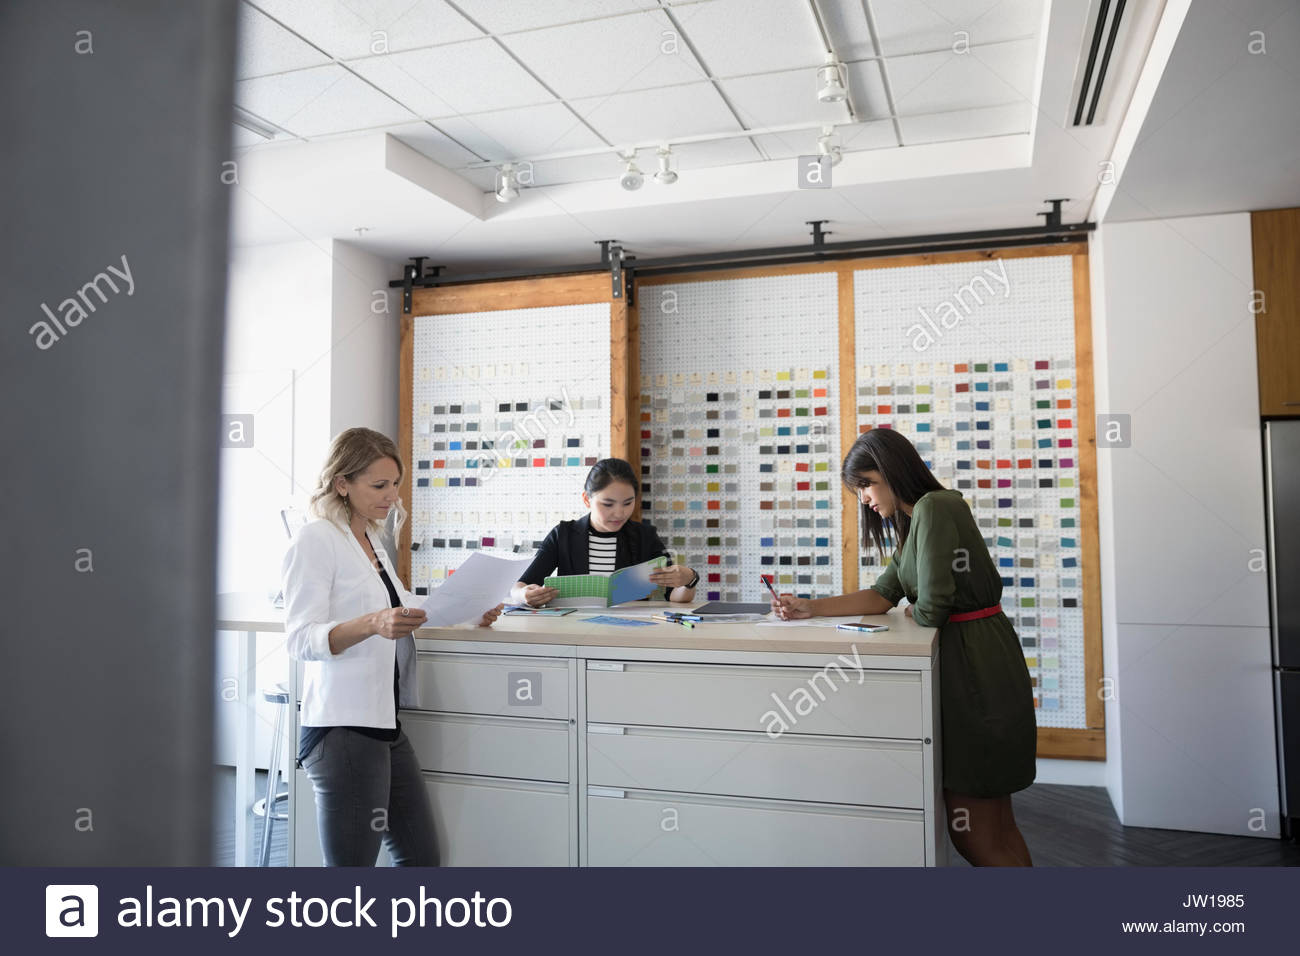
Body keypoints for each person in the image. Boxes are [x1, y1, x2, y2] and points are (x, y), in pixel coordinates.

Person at [771, 428, 1037, 866]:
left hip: (974, 671)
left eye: (867, 484)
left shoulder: (936, 506)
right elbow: (881, 595)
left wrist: (921, 608)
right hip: (973, 661)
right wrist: (809, 607)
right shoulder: (916, 523)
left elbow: (931, 607)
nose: (864, 499)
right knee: (994, 825)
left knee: (975, 830)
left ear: (893, 470)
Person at [282, 427, 502, 867]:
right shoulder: (316, 539)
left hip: (384, 724)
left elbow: (401, 605)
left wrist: (471, 610)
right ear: (342, 483)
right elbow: (300, 638)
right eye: (378, 485)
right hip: (341, 731)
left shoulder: (368, 539)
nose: (391, 496)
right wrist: (372, 623)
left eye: (395, 484)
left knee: (421, 859)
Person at [509, 458, 698, 606]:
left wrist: (690, 578)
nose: (619, 513)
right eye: (608, 504)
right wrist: (523, 595)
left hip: (630, 630)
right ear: (586, 499)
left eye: (628, 503)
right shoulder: (563, 534)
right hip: (572, 629)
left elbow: (674, 596)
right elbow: (521, 584)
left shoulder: (644, 536)